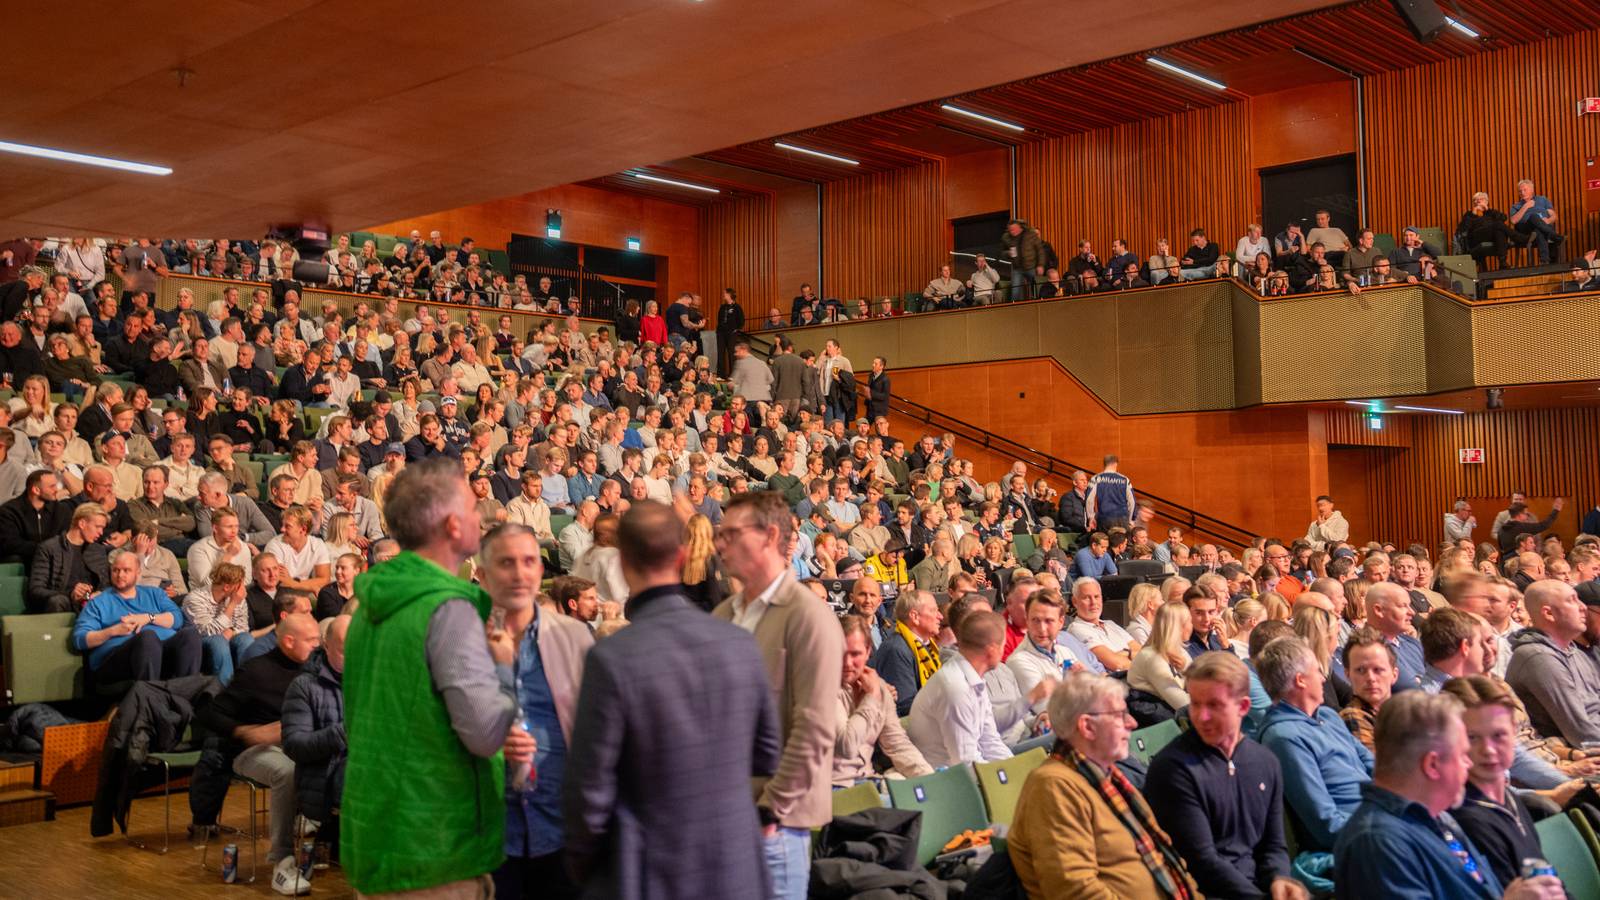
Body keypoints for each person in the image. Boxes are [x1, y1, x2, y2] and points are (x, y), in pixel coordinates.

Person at [564, 501, 778, 899]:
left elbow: (587, 795)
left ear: (623, 561)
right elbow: (768, 758)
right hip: (737, 868)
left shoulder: (611, 658)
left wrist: (587, 871)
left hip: (649, 873)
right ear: (682, 556)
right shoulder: (739, 643)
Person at [341, 458, 535, 897]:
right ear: (451, 525)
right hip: (434, 843)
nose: (479, 517)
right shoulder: (447, 608)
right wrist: (504, 666)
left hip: (380, 831)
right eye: (471, 508)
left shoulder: (371, 603)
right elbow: (485, 733)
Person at [710, 491, 841, 899]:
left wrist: (772, 807)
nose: (720, 543)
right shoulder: (723, 615)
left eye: (732, 534)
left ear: (769, 536)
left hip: (773, 828)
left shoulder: (808, 616)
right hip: (721, 818)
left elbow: (815, 726)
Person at [1333, 691, 1563, 900]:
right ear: (1432, 764)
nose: (1468, 763)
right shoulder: (1378, 844)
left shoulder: (1437, 817)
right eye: (1462, 754)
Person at [477, 525, 594, 900]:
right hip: (489, 831)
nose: (519, 573)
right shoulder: (460, 642)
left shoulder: (574, 637)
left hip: (562, 826)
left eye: (529, 561)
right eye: (505, 563)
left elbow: (593, 732)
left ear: (541, 572)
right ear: (483, 573)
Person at [1009, 672, 1200, 899]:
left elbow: (1165, 855)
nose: (1133, 723)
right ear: (1087, 727)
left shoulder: (1109, 776)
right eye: (1120, 715)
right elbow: (1074, 891)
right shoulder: (1053, 787)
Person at [1146, 652, 1302, 900]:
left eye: (1214, 705)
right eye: (1195, 704)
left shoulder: (1265, 762)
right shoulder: (1173, 768)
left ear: (1243, 707)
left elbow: (1272, 846)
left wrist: (1279, 879)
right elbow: (1201, 861)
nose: (1201, 716)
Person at [188, 612, 321, 891]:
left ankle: (330, 841)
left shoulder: (314, 668)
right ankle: (282, 862)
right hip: (252, 750)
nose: (316, 645)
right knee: (287, 770)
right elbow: (210, 713)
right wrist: (247, 732)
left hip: (299, 744)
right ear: (288, 641)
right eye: (310, 640)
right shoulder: (257, 670)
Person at [1256, 635, 1374, 852]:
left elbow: (1374, 767)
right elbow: (1325, 823)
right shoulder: (1284, 738)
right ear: (1300, 680)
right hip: (1359, 841)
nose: (1323, 678)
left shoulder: (1328, 716)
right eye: (1317, 671)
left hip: (1380, 816)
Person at [1442, 675, 1555, 891]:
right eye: (1472, 737)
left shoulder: (1507, 797)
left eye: (1498, 735)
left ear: (1514, 731)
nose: (1488, 750)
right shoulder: (1462, 817)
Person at [71, 549, 200, 683]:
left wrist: (148, 618)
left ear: (138, 573)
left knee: (190, 634)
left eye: (126, 570)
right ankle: (148, 698)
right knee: (147, 637)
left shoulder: (154, 594)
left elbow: (177, 619)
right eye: (116, 570)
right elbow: (79, 639)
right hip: (117, 659)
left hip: (163, 651)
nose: (120, 575)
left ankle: (185, 693)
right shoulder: (99, 602)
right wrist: (113, 631)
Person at [835, 614, 933, 786]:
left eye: (855, 654)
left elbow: (897, 744)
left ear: (868, 652)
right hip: (833, 788)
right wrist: (872, 697)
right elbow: (847, 746)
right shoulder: (819, 687)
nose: (848, 662)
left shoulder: (878, 686)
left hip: (868, 781)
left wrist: (930, 780)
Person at [905, 609, 1012, 768]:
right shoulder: (955, 688)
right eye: (1003, 645)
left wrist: (1017, 771)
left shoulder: (973, 679)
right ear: (992, 650)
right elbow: (966, 763)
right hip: (945, 783)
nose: (1003, 651)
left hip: (967, 772)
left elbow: (990, 741)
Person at [1505, 579, 1600, 746]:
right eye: (1572, 600)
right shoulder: (1538, 657)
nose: (1583, 607)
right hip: (1575, 757)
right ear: (1548, 613)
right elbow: (1582, 734)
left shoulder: (1574, 651)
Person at [281, 614, 349, 833]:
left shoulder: (372, 680)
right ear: (326, 646)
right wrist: (341, 734)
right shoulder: (304, 686)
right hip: (323, 784)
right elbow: (294, 745)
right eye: (343, 651)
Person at [869, 589, 943, 716]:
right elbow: (905, 707)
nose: (940, 616)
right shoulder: (896, 650)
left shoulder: (927, 646)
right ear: (914, 617)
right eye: (933, 610)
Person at [27, 501, 110, 613]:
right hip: (65, 603)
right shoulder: (49, 548)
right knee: (58, 601)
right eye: (98, 527)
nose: (101, 532)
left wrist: (100, 593)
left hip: (92, 604)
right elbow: (36, 590)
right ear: (82, 523)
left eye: (103, 528)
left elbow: (106, 584)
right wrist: (71, 594)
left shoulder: (98, 550)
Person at [182, 562, 256, 686]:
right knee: (218, 641)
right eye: (240, 585)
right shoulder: (195, 599)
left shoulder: (238, 598)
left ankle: (248, 686)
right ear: (227, 587)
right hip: (199, 642)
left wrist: (232, 631)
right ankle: (223, 690)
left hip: (226, 637)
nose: (243, 589)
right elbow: (208, 632)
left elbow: (243, 628)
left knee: (246, 638)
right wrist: (232, 604)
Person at [1339, 627, 1400, 752]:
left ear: (1394, 675)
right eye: (1361, 670)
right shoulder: (1352, 717)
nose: (1371, 678)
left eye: (1378, 670)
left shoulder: (1404, 714)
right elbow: (1377, 768)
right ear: (1347, 675)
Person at [1507, 178, 1562, 265]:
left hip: (1541, 228)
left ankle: (1544, 261)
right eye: (1520, 191)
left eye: (1525, 190)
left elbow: (1554, 216)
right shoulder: (1516, 206)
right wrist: (1526, 206)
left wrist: (1548, 220)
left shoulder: (1542, 200)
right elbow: (1513, 221)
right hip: (1525, 229)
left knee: (1538, 230)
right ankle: (1553, 235)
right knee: (1534, 217)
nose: (1522, 193)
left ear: (1532, 190)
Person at [1084, 455, 1133, 532]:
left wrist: (1091, 517)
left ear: (1104, 464)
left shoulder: (1096, 478)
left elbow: (1089, 500)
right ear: (1115, 464)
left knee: (1105, 542)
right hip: (1122, 518)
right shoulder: (1125, 480)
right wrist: (1130, 520)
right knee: (1121, 543)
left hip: (1104, 518)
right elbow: (1131, 502)